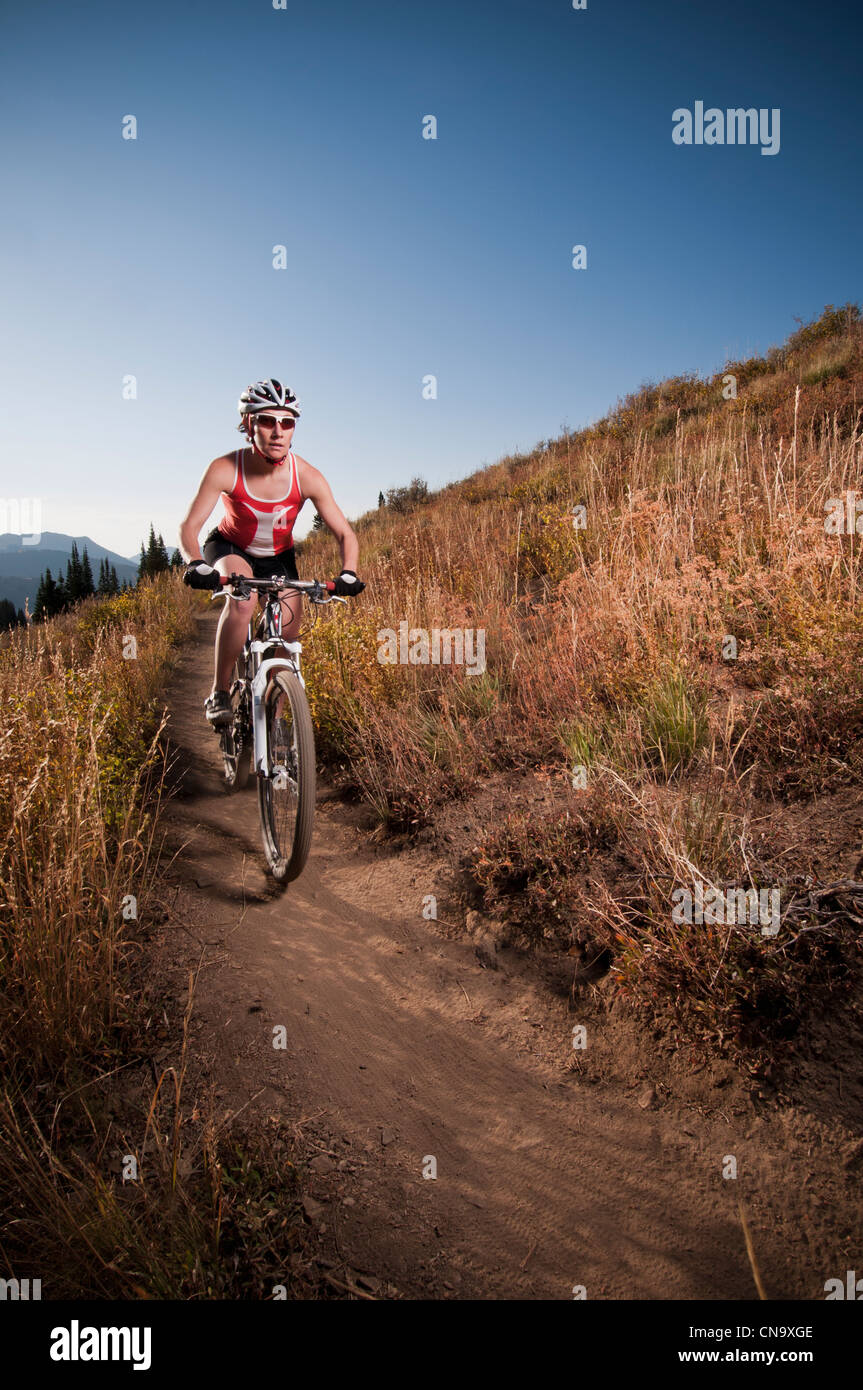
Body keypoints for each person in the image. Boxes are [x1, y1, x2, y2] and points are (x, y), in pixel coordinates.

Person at [178, 379, 365, 725]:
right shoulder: (224, 468)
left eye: (287, 422)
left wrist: (349, 572)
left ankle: (274, 726)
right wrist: (195, 562)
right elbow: (189, 527)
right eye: (267, 421)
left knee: (288, 632)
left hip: (278, 557)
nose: (278, 432)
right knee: (244, 598)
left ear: (294, 429)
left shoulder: (307, 476)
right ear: (249, 425)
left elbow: (344, 533)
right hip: (230, 546)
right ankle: (219, 692)